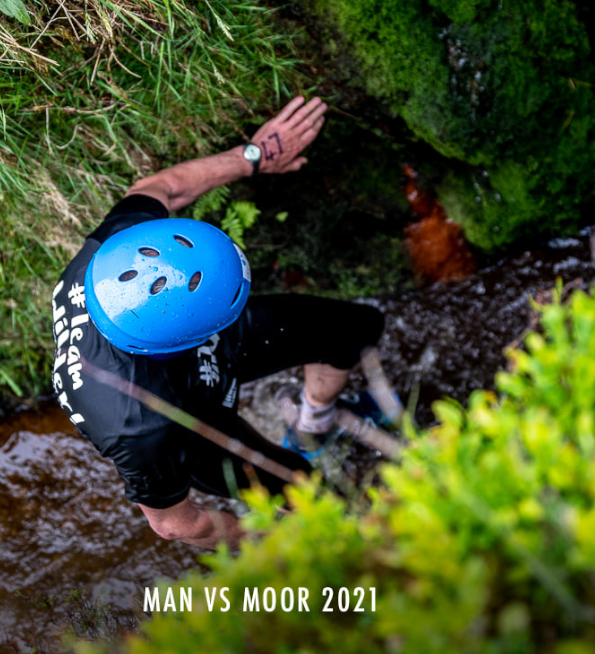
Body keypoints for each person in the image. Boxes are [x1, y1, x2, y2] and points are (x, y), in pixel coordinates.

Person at [50, 96, 386, 550]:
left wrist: (255, 156)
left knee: (353, 330)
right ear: (191, 334)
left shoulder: (114, 252)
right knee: (303, 485)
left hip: (205, 341)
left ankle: (314, 421)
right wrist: (279, 541)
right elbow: (177, 524)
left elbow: (162, 187)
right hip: (190, 421)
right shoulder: (140, 428)